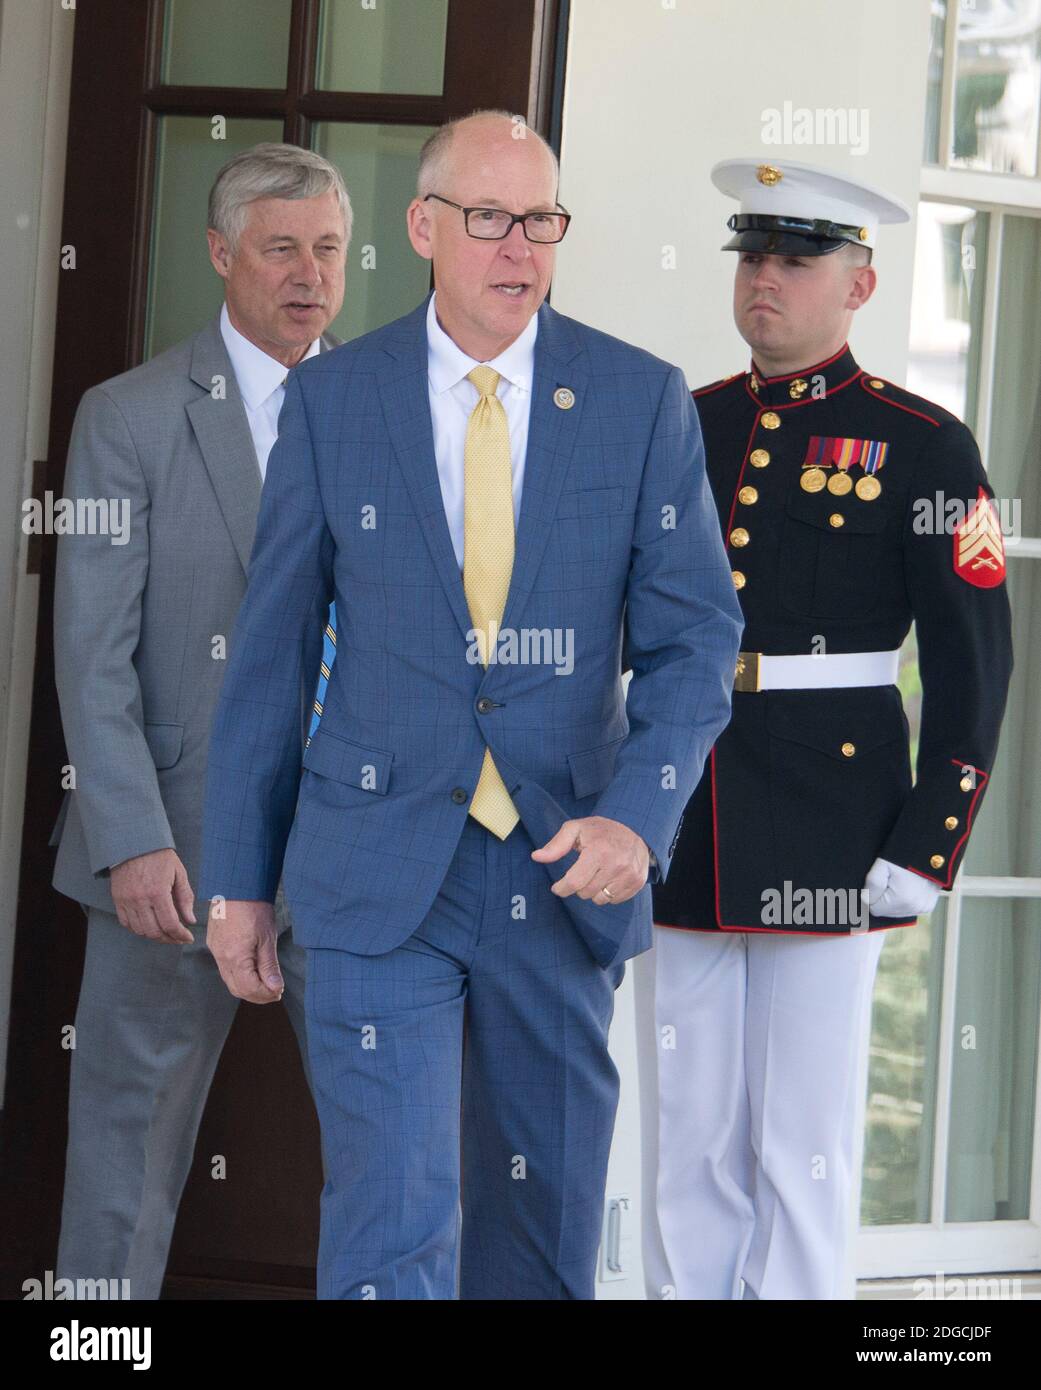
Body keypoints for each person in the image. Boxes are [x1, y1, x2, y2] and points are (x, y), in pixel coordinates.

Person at [198, 110, 743, 1300]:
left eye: (540, 221)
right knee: (395, 1214)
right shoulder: (335, 401)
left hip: (560, 868)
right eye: (488, 218)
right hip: (376, 866)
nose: (519, 248)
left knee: (538, 1230)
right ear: (422, 227)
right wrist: (237, 876)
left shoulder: (639, 399)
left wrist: (636, 818)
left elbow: (697, 641)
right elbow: (273, 655)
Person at [636, 158, 1013, 1300]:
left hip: (834, 820)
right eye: (754, 256)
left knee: (801, 1139)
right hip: (681, 807)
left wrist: (929, 841)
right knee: (684, 1128)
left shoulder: (924, 442)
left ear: (860, 284)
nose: (766, 279)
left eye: (797, 262)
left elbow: (973, 660)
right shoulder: (681, 421)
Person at [50, 143, 347, 1298]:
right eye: (281, 249)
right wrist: (129, 837)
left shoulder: (392, 409)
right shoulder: (126, 417)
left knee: (396, 1150)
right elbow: (92, 655)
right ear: (221, 253)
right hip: (172, 848)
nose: (310, 275)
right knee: (124, 1155)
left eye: (328, 248)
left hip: (354, 846)